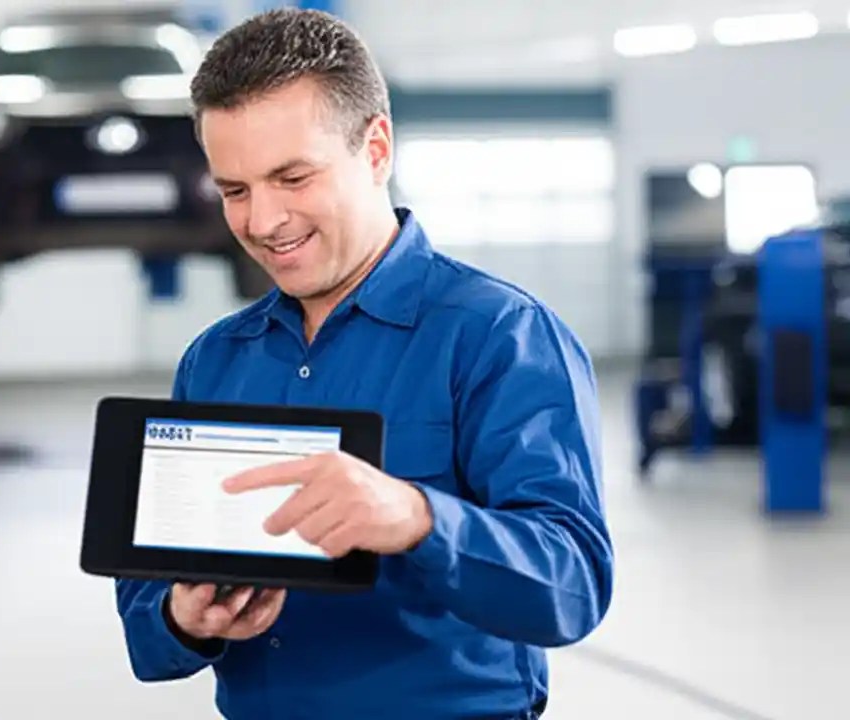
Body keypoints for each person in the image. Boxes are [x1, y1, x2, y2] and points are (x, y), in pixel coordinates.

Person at [114, 9, 614, 719]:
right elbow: (146, 615)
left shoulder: (497, 336)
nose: (263, 221)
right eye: (235, 190)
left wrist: (416, 518)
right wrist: (181, 618)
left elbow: (572, 587)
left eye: (293, 177)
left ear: (376, 149)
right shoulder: (216, 361)